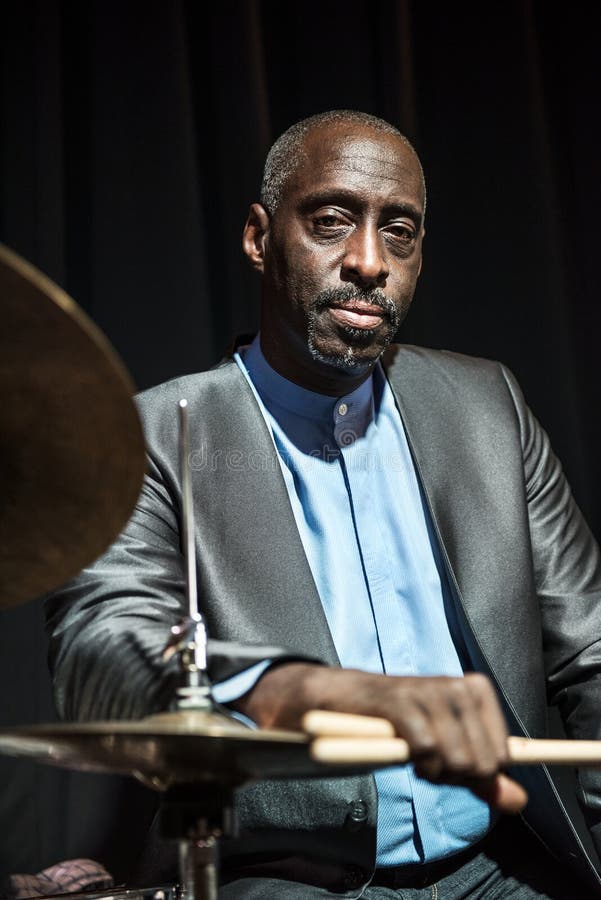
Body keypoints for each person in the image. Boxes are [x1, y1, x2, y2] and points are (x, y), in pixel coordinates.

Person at [46, 110, 601, 898]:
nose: (369, 261)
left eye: (399, 232)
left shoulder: (487, 407)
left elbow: (591, 652)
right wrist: (291, 690)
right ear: (257, 237)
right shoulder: (149, 436)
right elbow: (99, 654)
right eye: (332, 221)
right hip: (287, 878)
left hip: (502, 867)